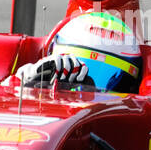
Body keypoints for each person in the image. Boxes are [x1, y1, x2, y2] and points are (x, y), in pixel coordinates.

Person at [10, 10, 143, 93]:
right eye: (77, 71)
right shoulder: (33, 82)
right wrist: (25, 82)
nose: (91, 93)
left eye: (105, 80)